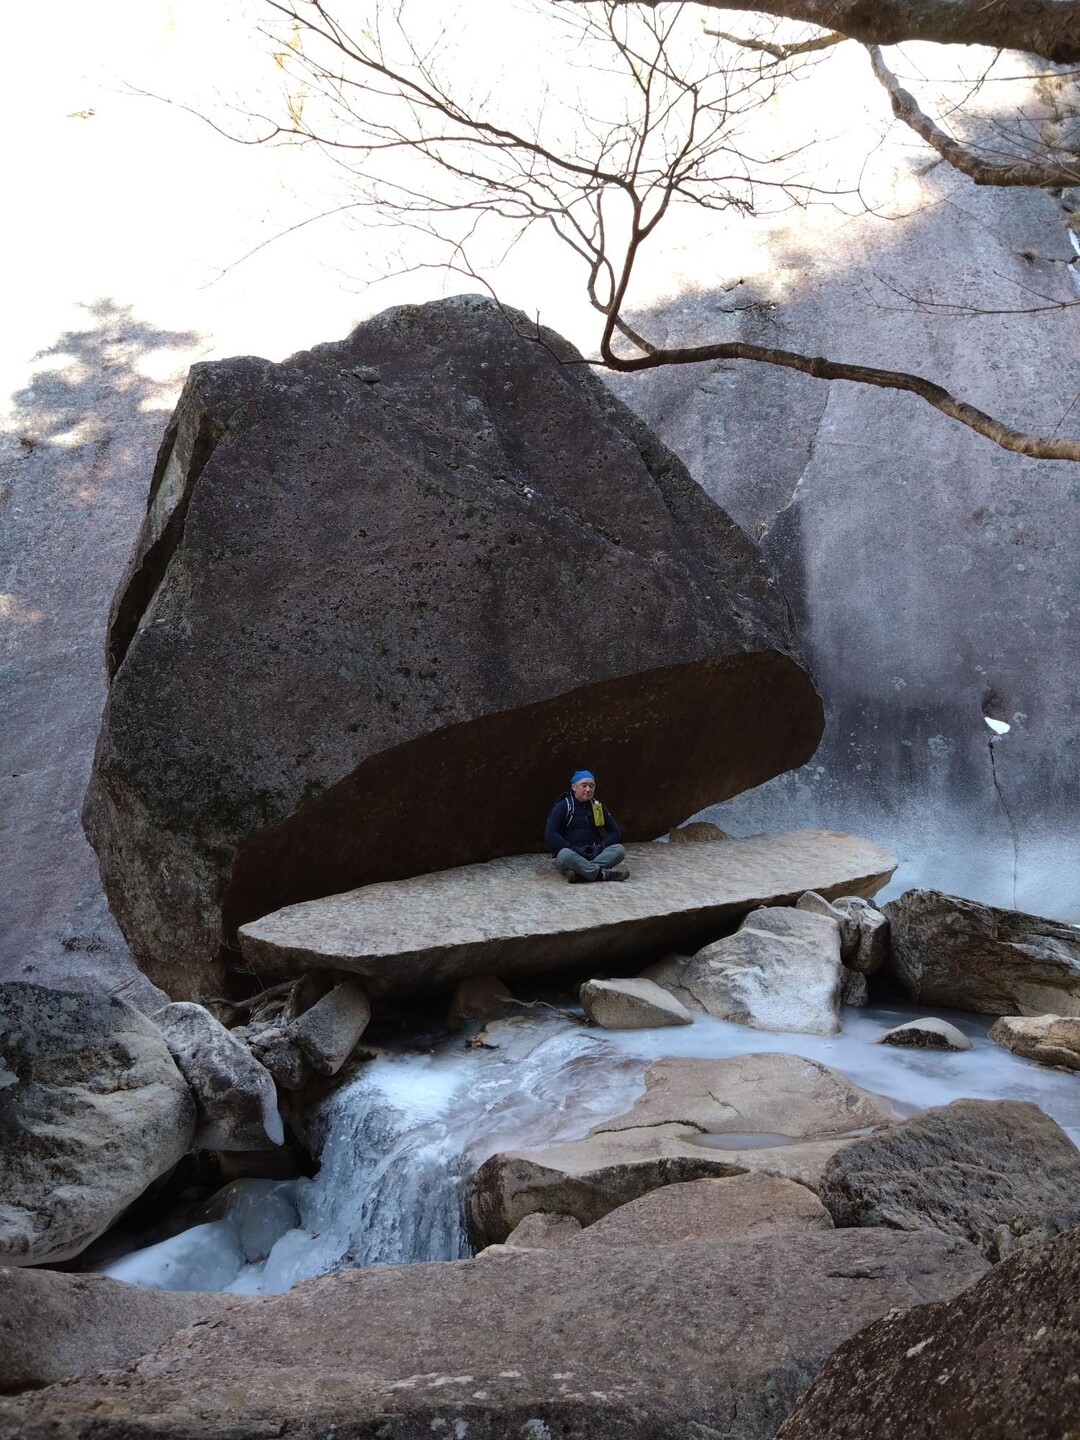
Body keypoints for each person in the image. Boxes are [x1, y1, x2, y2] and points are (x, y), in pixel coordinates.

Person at [544, 770, 629, 882]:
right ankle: (601, 874)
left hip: (594, 853)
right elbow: (550, 833)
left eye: (591, 786)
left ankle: (581, 873)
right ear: (574, 787)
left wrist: (600, 847)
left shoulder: (597, 807)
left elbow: (615, 832)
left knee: (619, 850)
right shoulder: (564, 806)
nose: (588, 789)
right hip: (572, 854)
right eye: (584, 785)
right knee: (565, 855)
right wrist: (573, 849)